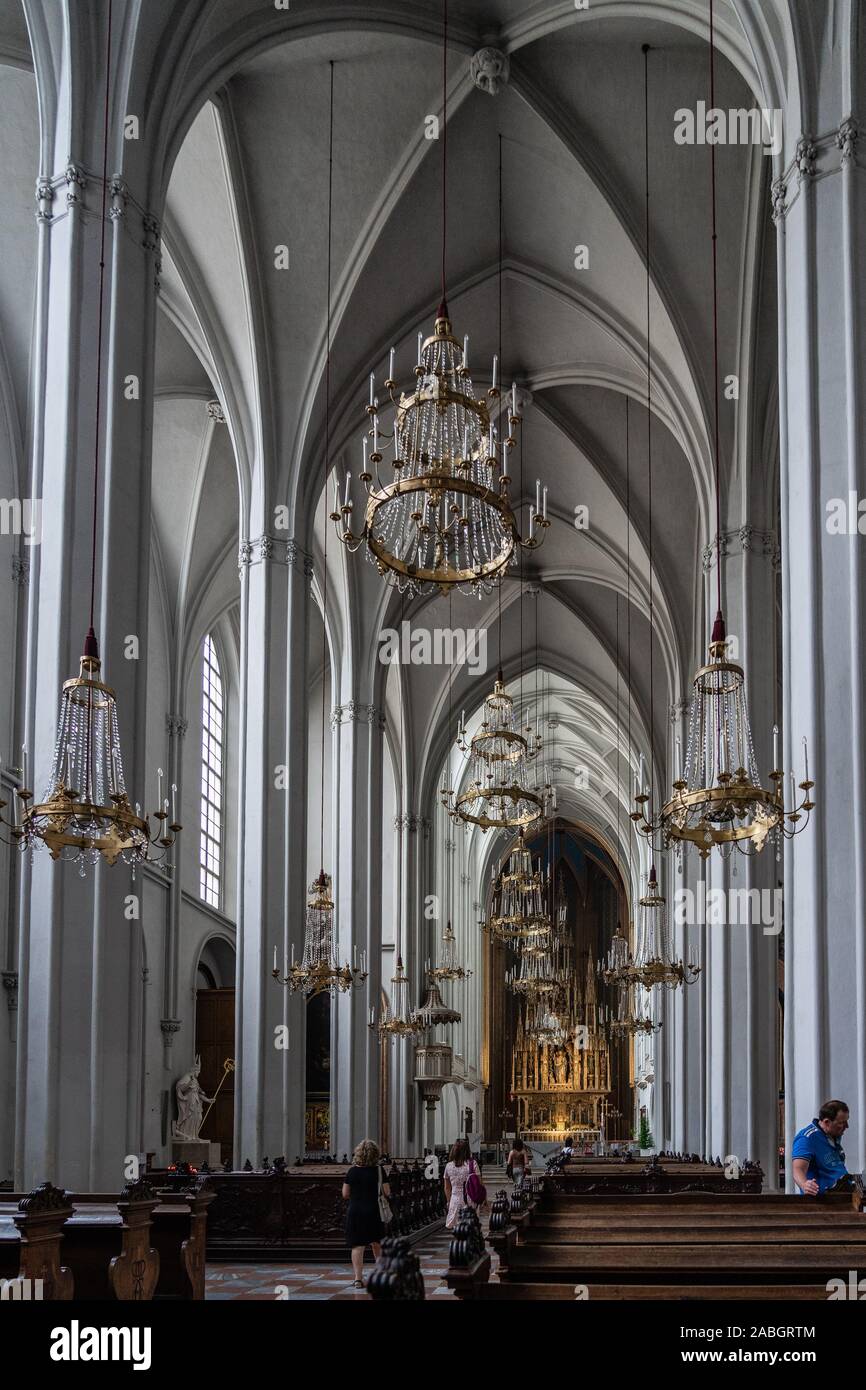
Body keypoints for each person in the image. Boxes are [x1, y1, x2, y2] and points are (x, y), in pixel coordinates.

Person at [342, 1139, 390, 1288]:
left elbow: (345, 1193)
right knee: (377, 1244)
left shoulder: (352, 1171)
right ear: (375, 1154)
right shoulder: (378, 1170)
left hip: (355, 1211)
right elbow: (387, 1192)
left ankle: (358, 1278)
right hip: (374, 1210)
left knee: (357, 1246)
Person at [792, 1100, 850, 1195]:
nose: (846, 1126)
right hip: (821, 1201)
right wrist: (805, 1185)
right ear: (827, 1122)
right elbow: (798, 1168)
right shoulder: (807, 1137)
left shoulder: (834, 1135)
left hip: (841, 1196)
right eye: (842, 1123)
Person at [443, 1138, 479, 1228]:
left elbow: (447, 1188)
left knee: (457, 1229)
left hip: (455, 1200)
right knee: (470, 1227)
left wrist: (448, 1201)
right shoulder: (472, 1164)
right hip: (470, 1199)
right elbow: (479, 1184)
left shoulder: (449, 1166)